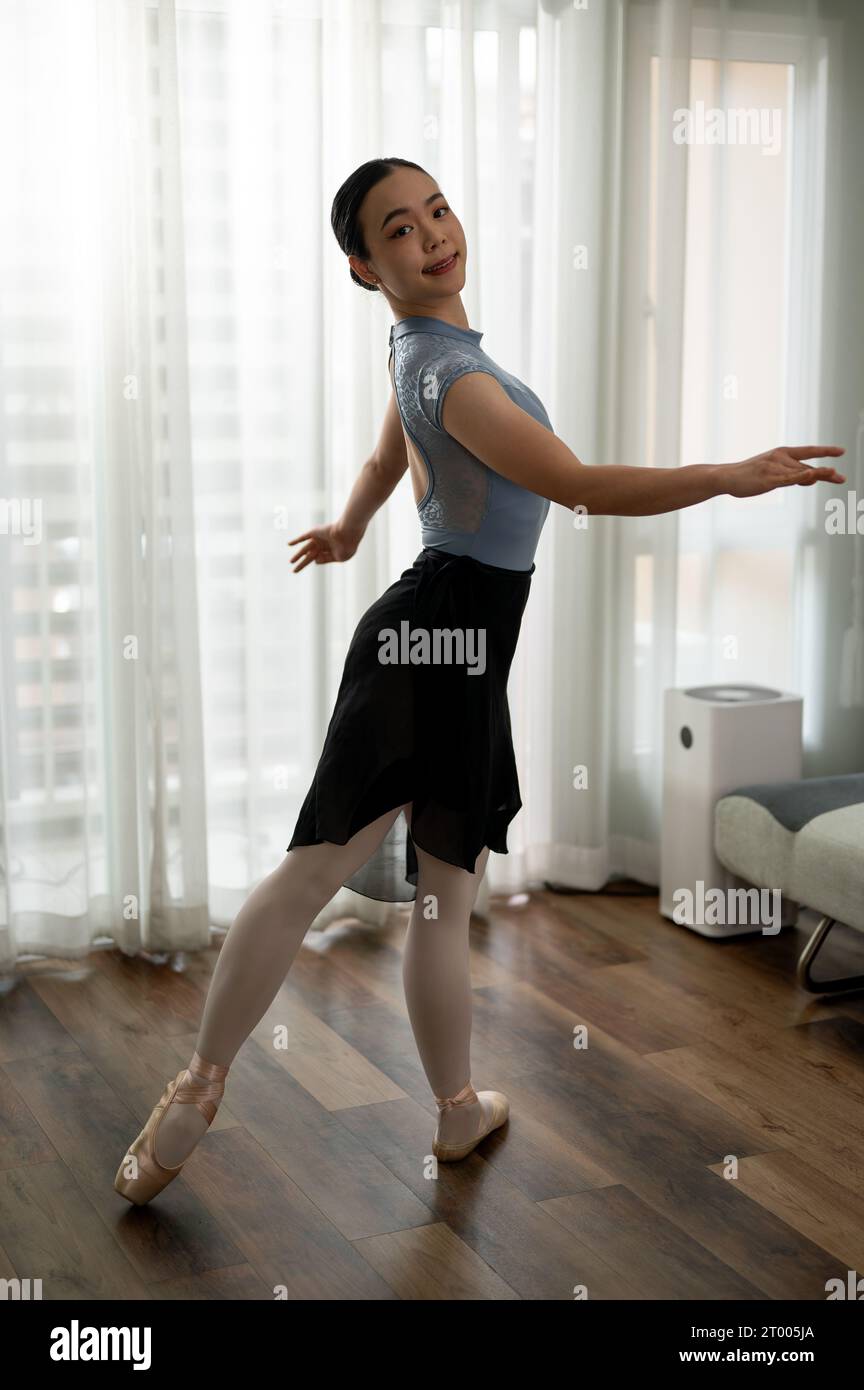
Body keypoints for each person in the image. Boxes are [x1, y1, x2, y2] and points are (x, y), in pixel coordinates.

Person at [114, 157, 846, 1205]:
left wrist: (348, 526)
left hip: (456, 650)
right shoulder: (455, 379)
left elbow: (383, 461)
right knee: (327, 869)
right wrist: (732, 473)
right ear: (367, 267)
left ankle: (454, 1111)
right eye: (400, 230)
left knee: (436, 900)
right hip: (432, 638)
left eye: (439, 210)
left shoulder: (422, 354)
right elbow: (580, 485)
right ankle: (199, 1082)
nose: (434, 234)